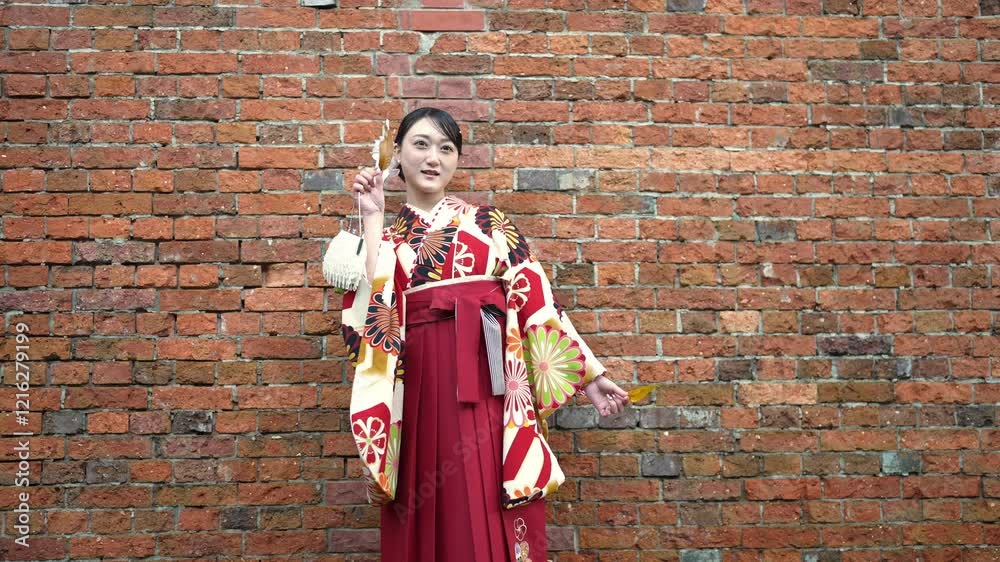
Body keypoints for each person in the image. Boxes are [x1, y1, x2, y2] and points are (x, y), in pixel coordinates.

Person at [341, 107, 630, 562]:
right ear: (396, 154)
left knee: (485, 487)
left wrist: (590, 378)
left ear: (457, 160)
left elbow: (538, 302)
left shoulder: (491, 225)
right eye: (420, 144)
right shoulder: (392, 233)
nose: (433, 157)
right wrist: (372, 216)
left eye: (446, 148)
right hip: (418, 383)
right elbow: (373, 313)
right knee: (423, 490)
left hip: (487, 375)